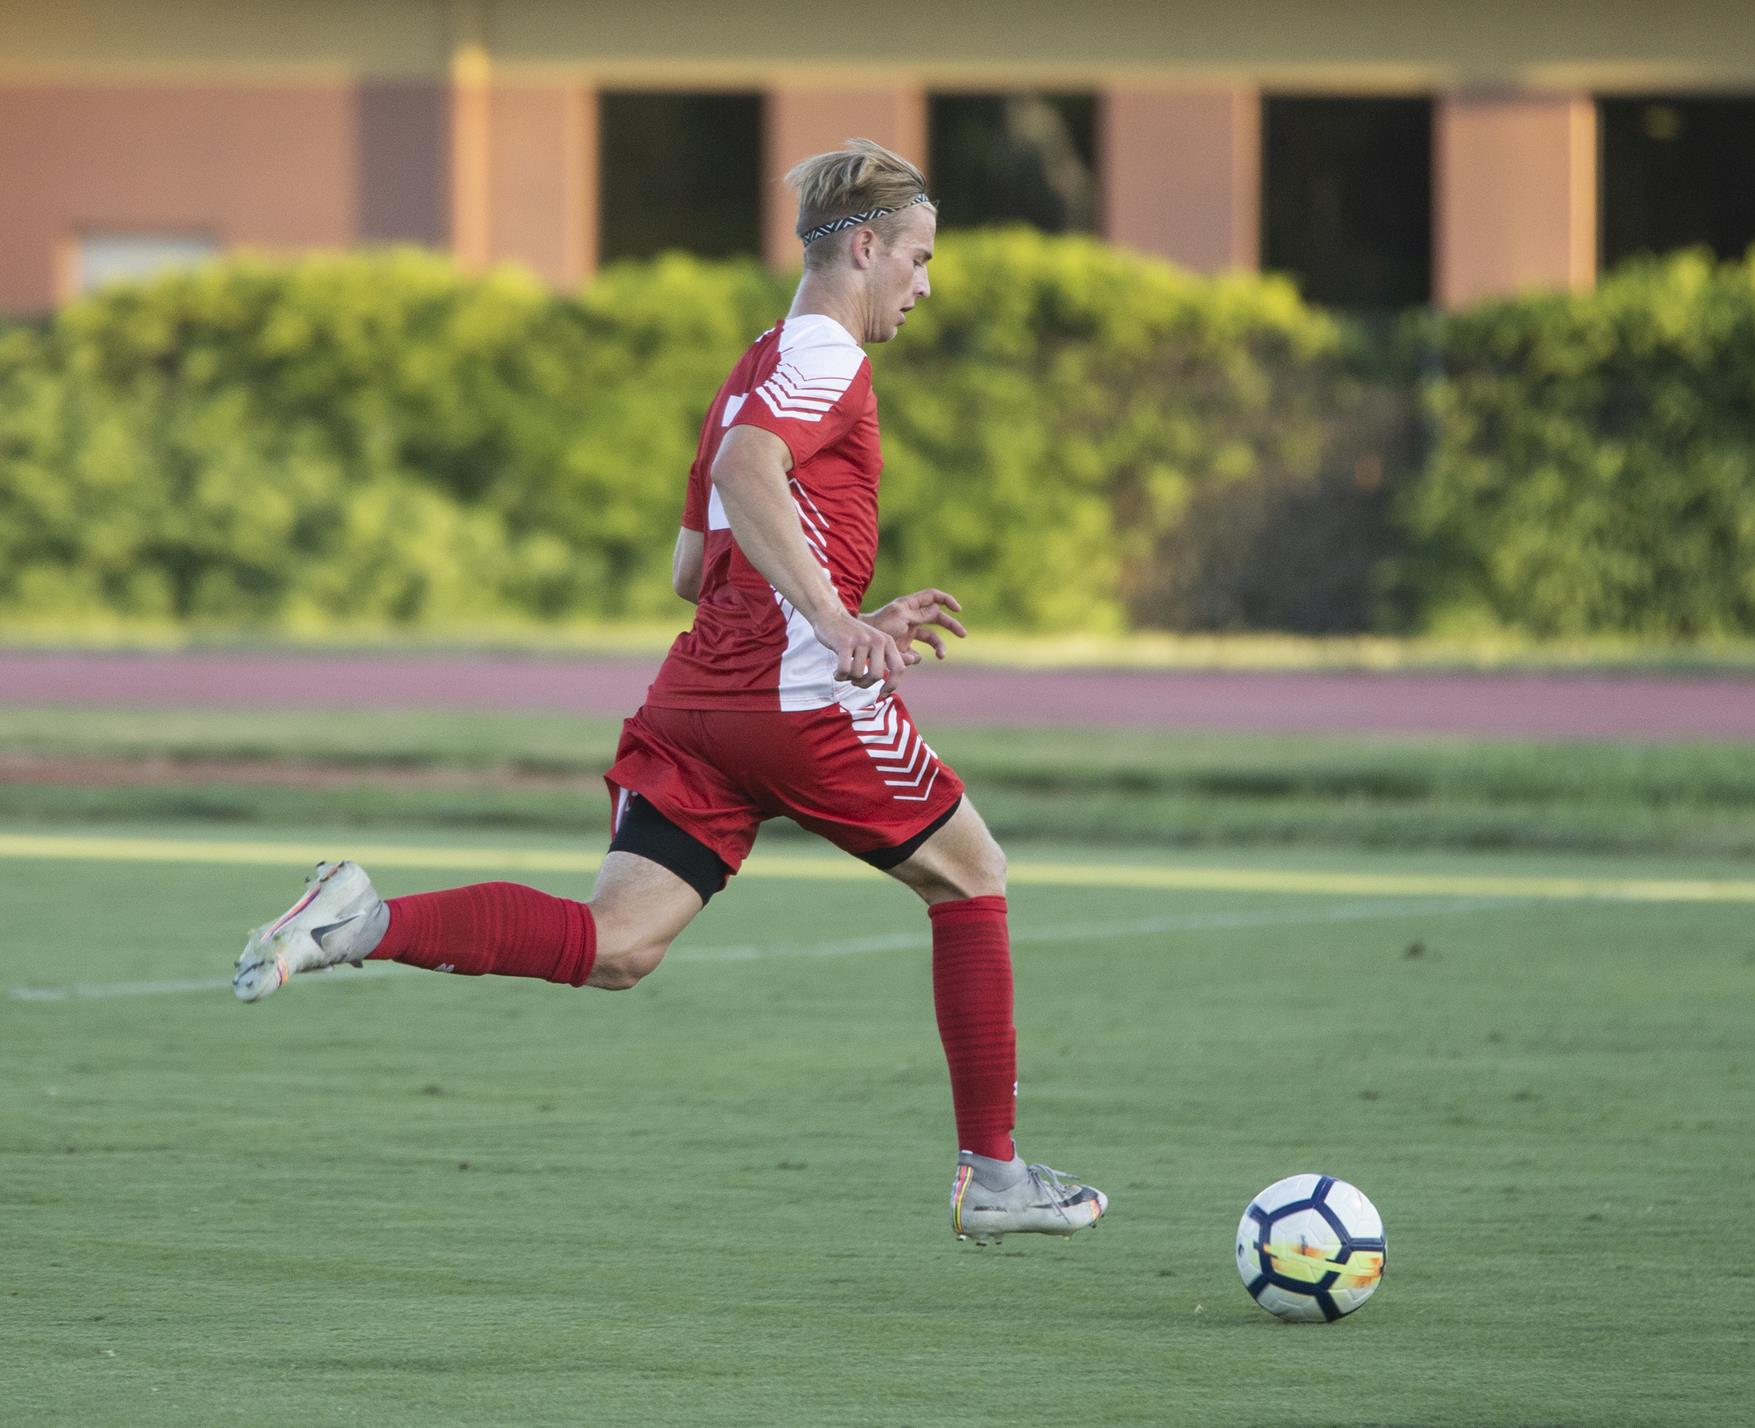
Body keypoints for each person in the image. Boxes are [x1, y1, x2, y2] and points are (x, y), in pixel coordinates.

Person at [229, 139, 1107, 1247]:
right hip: (794, 700)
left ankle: (362, 922)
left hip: (698, 703)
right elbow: (750, 478)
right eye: (919, 259)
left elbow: (694, 571)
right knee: (973, 874)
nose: (925, 285)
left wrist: (837, 599)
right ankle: (993, 1175)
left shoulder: (749, 365)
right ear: (865, 246)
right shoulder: (827, 358)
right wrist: (834, 622)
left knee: (617, 944)